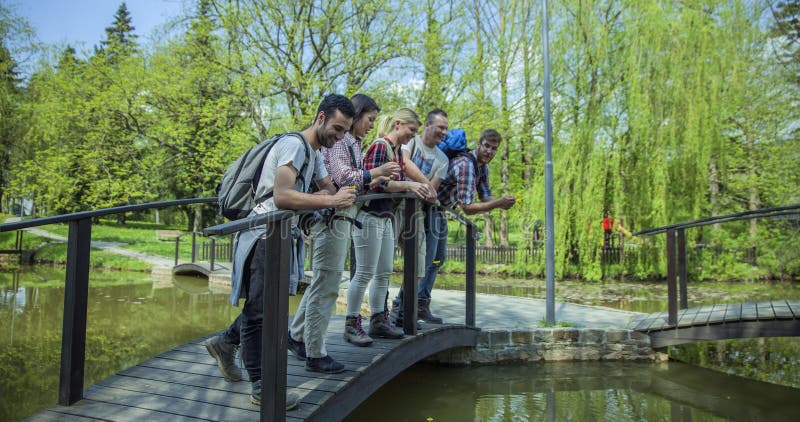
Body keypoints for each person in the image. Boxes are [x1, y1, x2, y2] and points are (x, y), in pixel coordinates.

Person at [204, 94, 357, 410]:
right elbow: (285, 196)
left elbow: (326, 185)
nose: (339, 137)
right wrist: (331, 201)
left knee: (265, 307)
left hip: (280, 234)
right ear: (320, 118)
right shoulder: (293, 146)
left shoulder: (312, 153)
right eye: (337, 129)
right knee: (261, 313)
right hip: (263, 235)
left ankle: (226, 341)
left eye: (345, 132)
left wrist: (329, 193)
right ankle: (262, 387)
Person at [287, 94, 399, 363]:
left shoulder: (351, 143)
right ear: (357, 116)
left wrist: (375, 178)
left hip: (338, 216)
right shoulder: (342, 142)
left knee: (324, 281)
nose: (372, 125)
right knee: (327, 285)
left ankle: (297, 335)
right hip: (330, 219)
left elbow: (342, 182)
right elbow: (342, 178)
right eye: (369, 120)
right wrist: (376, 173)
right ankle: (316, 352)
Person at [392, 129, 515, 326]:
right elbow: (467, 208)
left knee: (437, 259)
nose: (490, 151)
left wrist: (502, 201)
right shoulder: (466, 165)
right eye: (486, 146)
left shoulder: (482, 167)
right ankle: (401, 306)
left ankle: (421, 304)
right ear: (478, 144)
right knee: (425, 261)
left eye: (494, 149)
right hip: (428, 208)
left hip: (440, 211)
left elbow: (485, 195)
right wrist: (497, 204)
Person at [345, 108, 433, 342]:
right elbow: (375, 183)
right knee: (364, 272)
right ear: (397, 124)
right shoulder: (380, 145)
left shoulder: (396, 151)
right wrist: (409, 186)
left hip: (386, 217)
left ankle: (378, 320)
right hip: (369, 217)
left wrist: (408, 185)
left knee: (384, 271)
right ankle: (352, 323)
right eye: (411, 130)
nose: (412, 136)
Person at [390, 109, 450, 324]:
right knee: (385, 261)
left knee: (419, 263)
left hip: (415, 211)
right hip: (393, 206)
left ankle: (402, 310)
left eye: (446, 128)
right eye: (440, 127)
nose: (444, 132)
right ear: (427, 125)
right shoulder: (411, 140)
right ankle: (383, 314)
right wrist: (423, 184)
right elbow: (404, 162)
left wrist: (422, 186)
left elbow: (431, 193)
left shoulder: (442, 159)